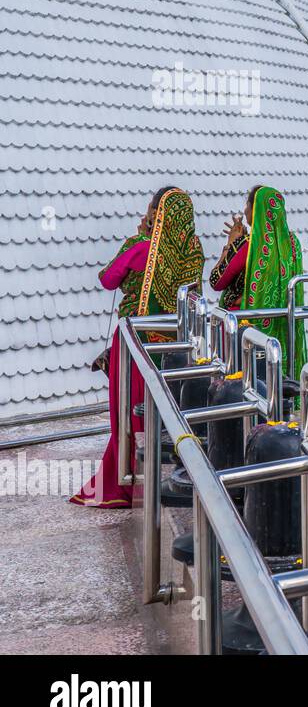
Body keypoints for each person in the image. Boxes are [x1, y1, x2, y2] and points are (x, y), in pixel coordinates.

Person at [71, 187, 205, 508]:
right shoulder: (192, 252)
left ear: (156, 215)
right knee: (166, 410)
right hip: (176, 344)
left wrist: (137, 241)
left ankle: (127, 482)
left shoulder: (140, 247)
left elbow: (107, 278)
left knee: (129, 410)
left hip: (135, 341)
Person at [211, 184, 308, 381]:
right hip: (284, 325)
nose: (244, 210)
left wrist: (230, 245)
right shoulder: (292, 242)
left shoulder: (248, 245)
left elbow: (216, 281)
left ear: (255, 209)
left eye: (247, 204)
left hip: (246, 326)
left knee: (246, 380)